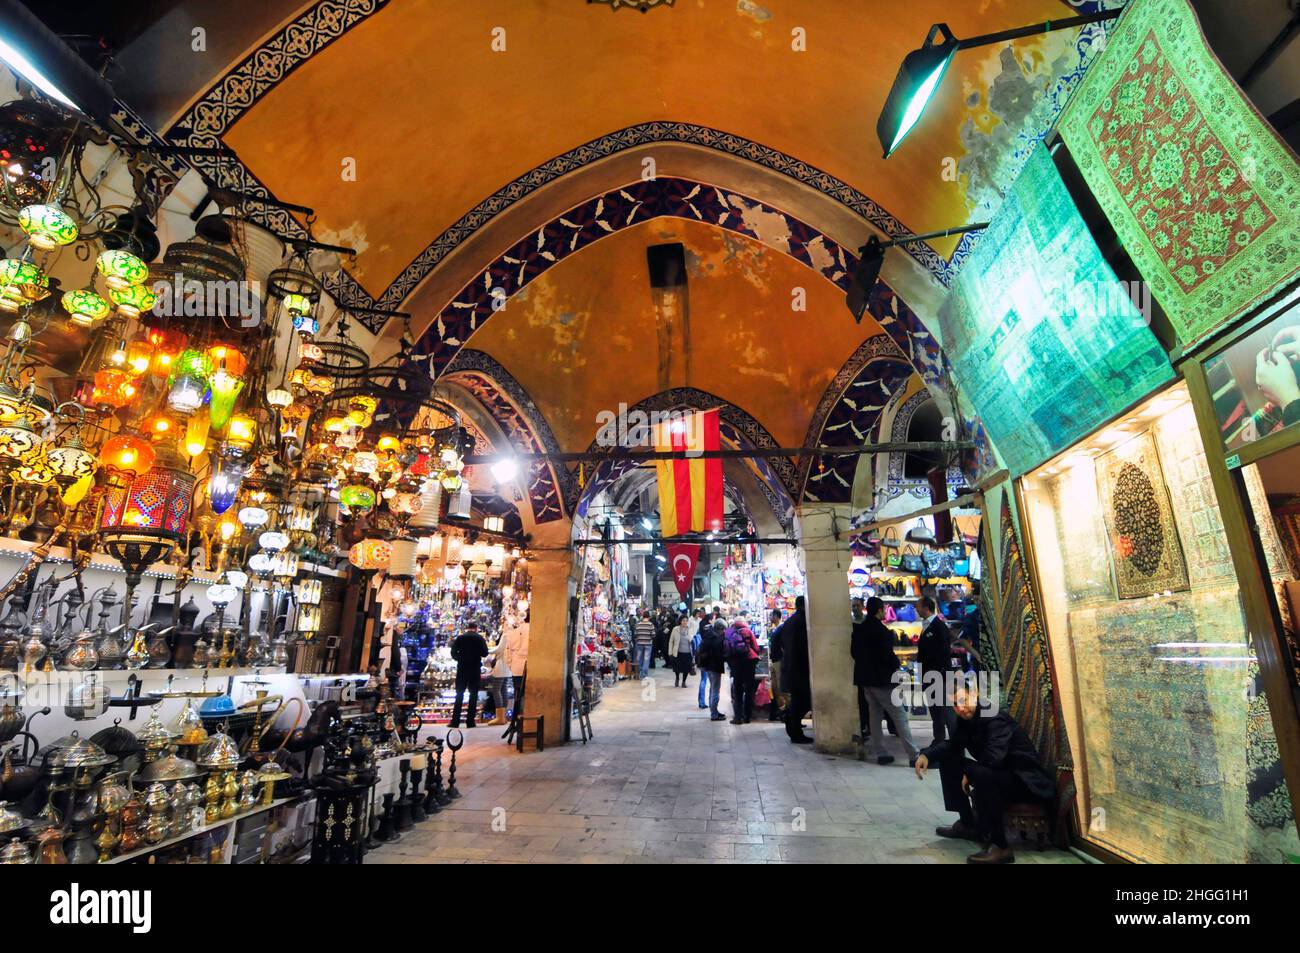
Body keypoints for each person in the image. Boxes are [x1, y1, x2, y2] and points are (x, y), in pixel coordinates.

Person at [914, 678, 1055, 864]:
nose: (960, 708)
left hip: (1024, 781)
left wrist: (969, 773)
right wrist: (927, 755)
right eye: (955, 705)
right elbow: (953, 746)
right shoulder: (966, 719)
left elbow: (994, 759)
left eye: (963, 701)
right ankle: (968, 824)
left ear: (974, 695)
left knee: (982, 774)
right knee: (949, 761)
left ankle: (1001, 846)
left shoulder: (993, 717)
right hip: (1001, 774)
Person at [860, 597, 921, 766]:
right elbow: (888, 657)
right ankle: (913, 755)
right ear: (880, 610)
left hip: (866, 679)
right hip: (883, 680)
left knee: (875, 716)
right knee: (899, 715)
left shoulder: (860, 630)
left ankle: (880, 752)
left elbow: (854, 653)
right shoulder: (882, 631)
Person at [916, 595, 955, 743]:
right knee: (936, 713)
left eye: (918, 606)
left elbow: (943, 652)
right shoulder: (927, 626)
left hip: (939, 676)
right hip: (931, 676)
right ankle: (939, 742)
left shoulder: (938, 626)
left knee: (946, 712)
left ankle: (956, 744)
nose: (916, 609)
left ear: (926, 608)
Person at [775, 596, 812, 744]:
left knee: (798, 700)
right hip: (799, 668)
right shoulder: (802, 622)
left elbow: (779, 643)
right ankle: (794, 729)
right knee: (802, 700)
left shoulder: (790, 622)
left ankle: (792, 727)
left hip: (790, 665)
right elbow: (803, 647)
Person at [449, 621, 490, 729]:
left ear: (467, 628)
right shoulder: (479, 638)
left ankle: (455, 721)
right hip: (475, 668)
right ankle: (470, 721)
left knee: (459, 694)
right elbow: (485, 653)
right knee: (473, 695)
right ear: (476, 628)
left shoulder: (461, 638)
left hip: (462, 668)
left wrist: (460, 659)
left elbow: (453, 652)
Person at [724, 614, 759, 724]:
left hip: (736, 663)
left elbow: (726, 649)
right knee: (749, 690)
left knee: (737, 690)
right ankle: (747, 717)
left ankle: (738, 717)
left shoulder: (729, 632)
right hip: (749, 662)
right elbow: (756, 647)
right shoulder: (748, 631)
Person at [503, 609, 530, 718]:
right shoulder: (535, 630)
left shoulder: (514, 631)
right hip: (531, 666)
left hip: (517, 667)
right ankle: (526, 717)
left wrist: (510, 663)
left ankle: (517, 717)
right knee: (528, 694)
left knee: (518, 694)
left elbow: (508, 649)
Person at [667, 613, 694, 688]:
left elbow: (691, 640)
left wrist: (689, 633)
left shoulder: (690, 629)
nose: (685, 622)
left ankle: (684, 682)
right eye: (683, 620)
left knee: (686, 668)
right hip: (678, 652)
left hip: (688, 652)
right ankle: (677, 678)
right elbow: (671, 641)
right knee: (677, 668)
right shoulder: (675, 629)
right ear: (680, 621)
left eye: (686, 621)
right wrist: (670, 652)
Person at [766, 608, 784, 721]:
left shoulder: (781, 628)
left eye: (771, 615)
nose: (770, 617)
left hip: (779, 661)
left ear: (776, 616)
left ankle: (785, 711)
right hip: (774, 661)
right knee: (776, 688)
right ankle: (781, 711)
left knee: (781, 688)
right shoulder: (774, 629)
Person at [693, 610, 710, 708]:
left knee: (703, 680)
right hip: (708, 660)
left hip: (702, 659)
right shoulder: (710, 635)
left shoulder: (700, 634)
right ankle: (704, 702)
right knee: (708, 682)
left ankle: (701, 701)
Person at [633, 609, 656, 679]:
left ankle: (639, 672)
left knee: (639, 658)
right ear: (649, 617)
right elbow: (653, 635)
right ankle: (644, 674)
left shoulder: (638, 624)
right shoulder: (650, 624)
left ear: (643, 616)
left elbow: (635, 635)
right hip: (648, 644)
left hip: (639, 643)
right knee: (646, 659)